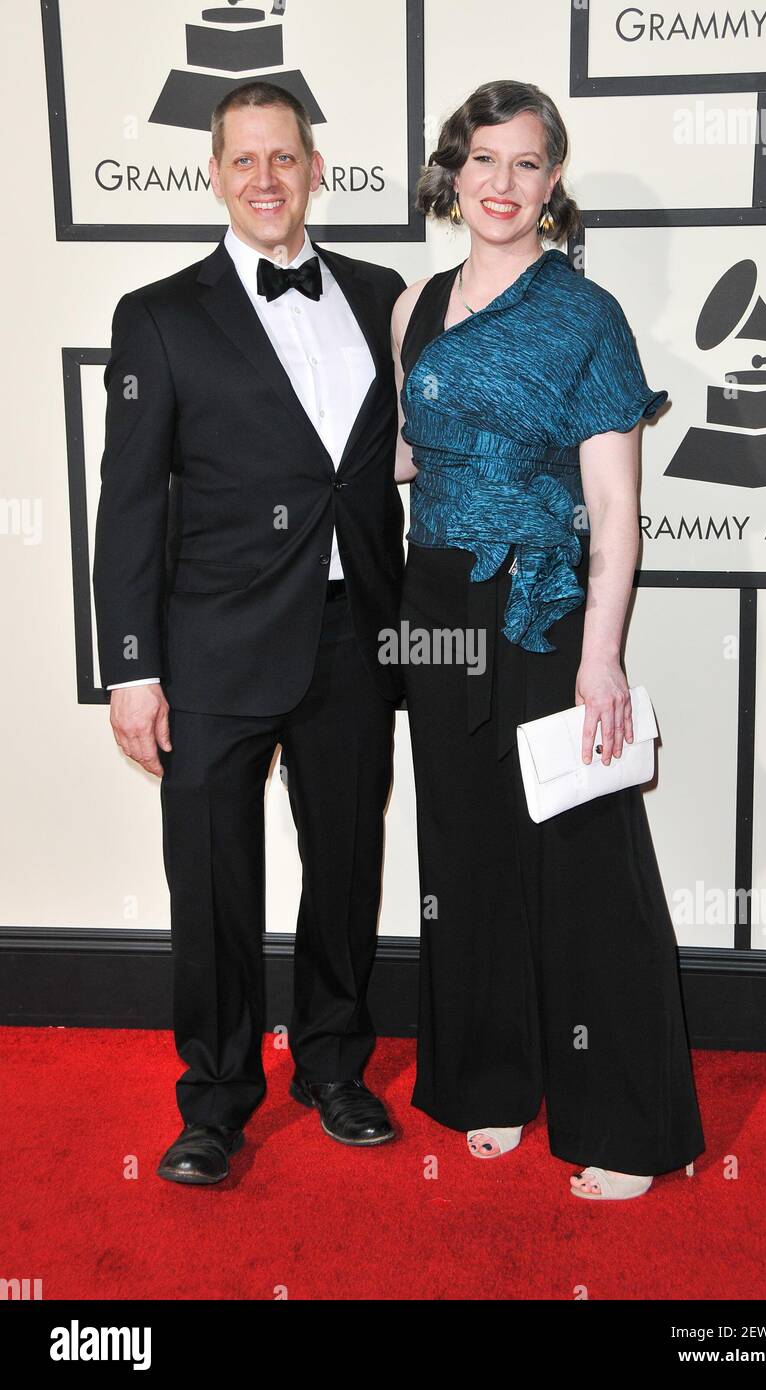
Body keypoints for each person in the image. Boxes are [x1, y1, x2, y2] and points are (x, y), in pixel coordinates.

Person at [390, 80, 705, 1200]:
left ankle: (621, 1118)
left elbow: (614, 509)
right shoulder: (415, 305)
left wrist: (599, 654)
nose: (499, 184)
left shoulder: (585, 316)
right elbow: (411, 455)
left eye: (525, 163)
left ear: (552, 180)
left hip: (543, 600)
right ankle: (487, 1078)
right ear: (452, 171)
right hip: (436, 606)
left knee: (580, 856)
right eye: (481, 160)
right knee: (463, 844)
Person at [93, 81, 406, 1184]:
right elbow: (128, 502)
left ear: (315, 168)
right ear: (214, 175)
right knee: (214, 879)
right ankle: (217, 1098)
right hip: (212, 647)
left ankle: (333, 1064)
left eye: (285, 158)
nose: (266, 179)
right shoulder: (161, 315)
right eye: (244, 161)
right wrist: (130, 669)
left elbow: (398, 455)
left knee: (346, 863)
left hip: (352, 636)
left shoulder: (383, 298)